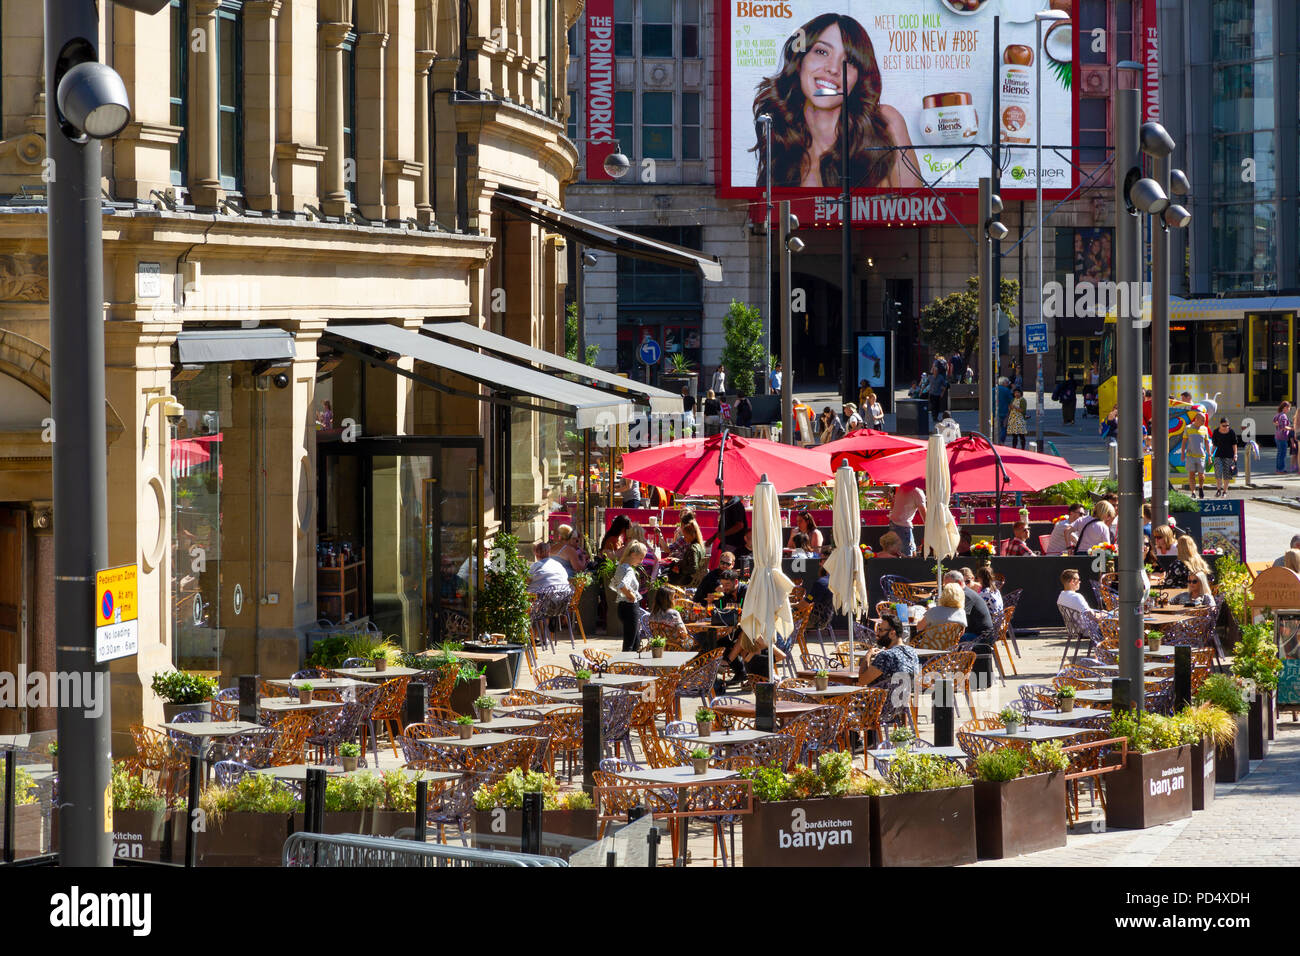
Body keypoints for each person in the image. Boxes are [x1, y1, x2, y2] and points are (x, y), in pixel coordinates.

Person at [751, 13, 920, 189]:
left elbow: (919, 210)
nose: (833, 68)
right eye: (822, 52)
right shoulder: (780, 140)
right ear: (800, 61)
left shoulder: (885, 123)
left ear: (858, 77)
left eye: (849, 61)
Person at [855, 615, 920, 690]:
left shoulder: (886, 656)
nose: (877, 634)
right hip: (904, 699)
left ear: (892, 633)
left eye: (880, 630)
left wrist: (868, 655)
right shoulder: (912, 652)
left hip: (882, 700)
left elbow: (862, 681)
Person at [610, 542, 647, 652]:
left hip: (622, 605)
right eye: (640, 558)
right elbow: (621, 584)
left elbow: (615, 584)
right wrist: (631, 596)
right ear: (633, 554)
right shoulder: (628, 569)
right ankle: (626, 665)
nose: (641, 561)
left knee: (633, 640)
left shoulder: (621, 566)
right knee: (631, 643)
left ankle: (630, 665)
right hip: (630, 606)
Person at [944, 568, 995, 644]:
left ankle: (944, 655)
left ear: (959, 583)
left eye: (949, 585)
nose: (946, 588)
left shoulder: (966, 596)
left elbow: (959, 619)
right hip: (977, 633)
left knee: (947, 638)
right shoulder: (964, 592)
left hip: (982, 637)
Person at [887, 480, 926, 557]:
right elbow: (924, 514)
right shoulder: (917, 492)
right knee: (909, 555)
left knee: (901, 553)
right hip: (903, 526)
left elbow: (892, 505)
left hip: (893, 523)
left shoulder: (902, 487)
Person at [665, 517, 707, 588]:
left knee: (664, 575)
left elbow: (693, 568)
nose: (684, 538)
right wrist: (680, 563)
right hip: (696, 579)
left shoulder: (692, 548)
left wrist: (680, 568)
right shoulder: (700, 546)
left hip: (687, 579)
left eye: (685, 536)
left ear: (692, 535)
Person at [1180, 410, 1210, 499]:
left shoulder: (1204, 429)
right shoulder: (1188, 428)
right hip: (1190, 456)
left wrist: (1210, 455)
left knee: (1201, 476)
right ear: (1196, 419)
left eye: (1204, 420)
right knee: (1191, 474)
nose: (1204, 422)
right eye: (1202, 420)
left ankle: (1200, 487)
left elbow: (1207, 443)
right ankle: (1193, 492)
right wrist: (1182, 453)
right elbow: (1184, 441)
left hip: (1201, 456)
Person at [1210, 417, 1239, 498]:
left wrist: (1235, 454)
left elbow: (1234, 444)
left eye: (1227, 425)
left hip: (1229, 455)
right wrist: (1211, 453)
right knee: (1218, 472)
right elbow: (1214, 444)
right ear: (1220, 425)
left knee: (1227, 475)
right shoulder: (1216, 432)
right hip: (1218, 455)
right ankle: (1218, 489)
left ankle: (1225, 491)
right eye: (1224, 426)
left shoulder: (1231, 432)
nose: (1226, 427)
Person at [1276, 401, 1293, 473]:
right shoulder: (1283, 416)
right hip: (1282, 437)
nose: (1289, 409)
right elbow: (1283, 427)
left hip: (1278, 436)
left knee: (1279, 453)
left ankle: (1278, 469)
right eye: (1289, 407)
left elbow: (1274, 422)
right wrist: (1292, 428)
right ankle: (1280, 470)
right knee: (1282, 454)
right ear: (1285, 408)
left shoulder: (1279, 414)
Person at [996, 377, 1013, 444]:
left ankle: (996, 441)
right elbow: (1011, 401)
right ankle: (1001, 441)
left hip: (994, 413)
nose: (1008, 384)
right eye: (1007, 383)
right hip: (1004, 412)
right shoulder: (1006, 390)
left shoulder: (993, 389)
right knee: (1003, 427)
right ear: (1003, 383)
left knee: (996, 428)